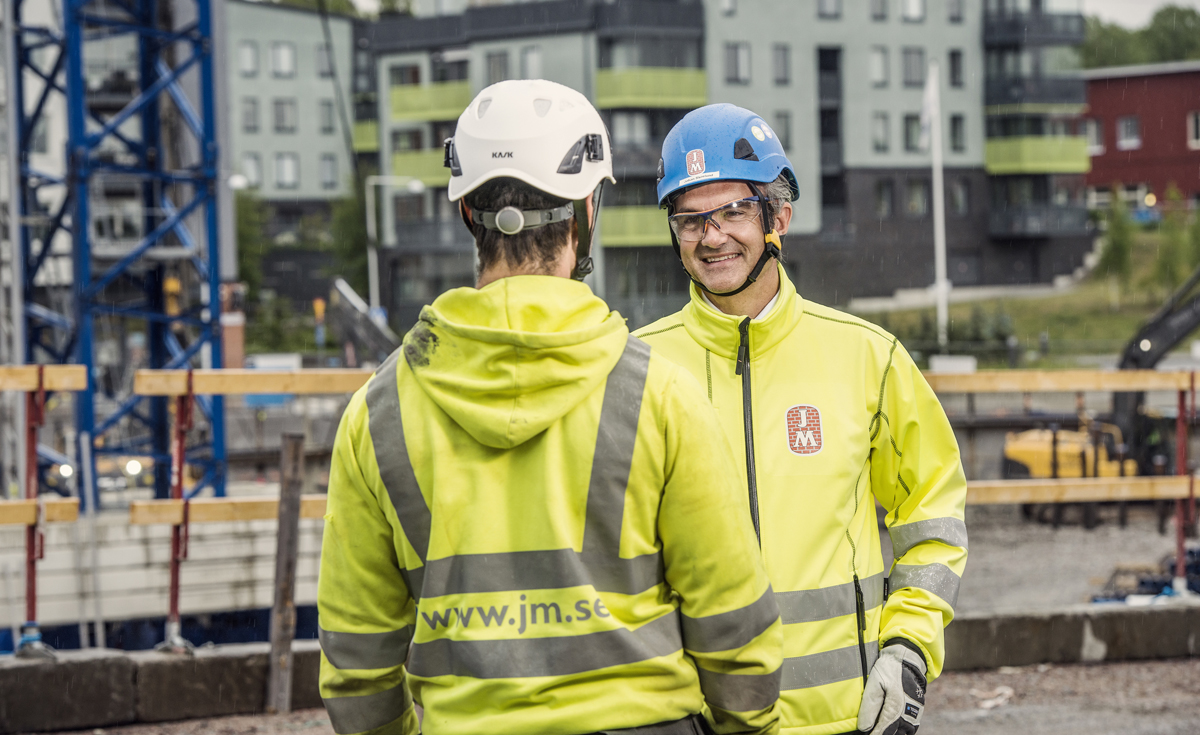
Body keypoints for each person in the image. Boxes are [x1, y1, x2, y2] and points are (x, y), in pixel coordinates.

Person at [317, 82, 782, 735]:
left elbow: (357, 660)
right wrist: (750, 724)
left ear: (466, 213)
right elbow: (733, 622)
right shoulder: (659, 394)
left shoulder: (379, 412)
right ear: (588, 208)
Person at [635, 103, 968, 735]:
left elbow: (933, 517)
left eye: (733, 210)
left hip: (847, 719)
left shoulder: (869, 357)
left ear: (778, 216)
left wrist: (909, 649)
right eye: (690, 218)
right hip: (689, 721)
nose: (712, 236)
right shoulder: (636, 369)